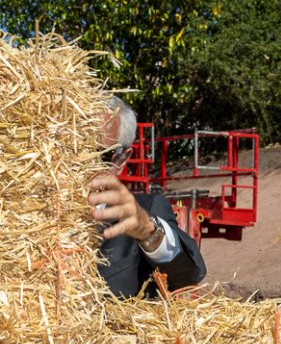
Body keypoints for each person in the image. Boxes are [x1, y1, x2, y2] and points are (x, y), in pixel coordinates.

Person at [86, 97, 207, 298]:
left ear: (120, 160)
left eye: (99, 155)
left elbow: (188, 275)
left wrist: (148, 231)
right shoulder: (28, 214)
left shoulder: (147, 208)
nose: (82, 167)